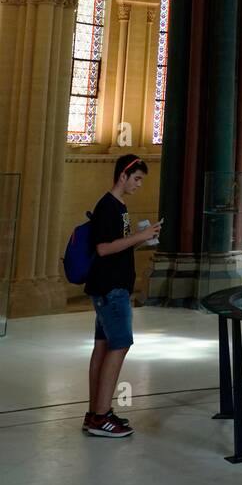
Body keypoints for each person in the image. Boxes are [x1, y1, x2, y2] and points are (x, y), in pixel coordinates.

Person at [83, 154, 162, 437]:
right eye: (137, 179)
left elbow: (118, 246)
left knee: (103, 348)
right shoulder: (108, 206)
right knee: (120, 345)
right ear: (123, 176)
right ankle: (101, 416)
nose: (139, 185)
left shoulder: (119, 206)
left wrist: (143, 238)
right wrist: (141, 237)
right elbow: (103, 248)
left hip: (110, 288)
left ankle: (96, 412)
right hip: (111, 290)